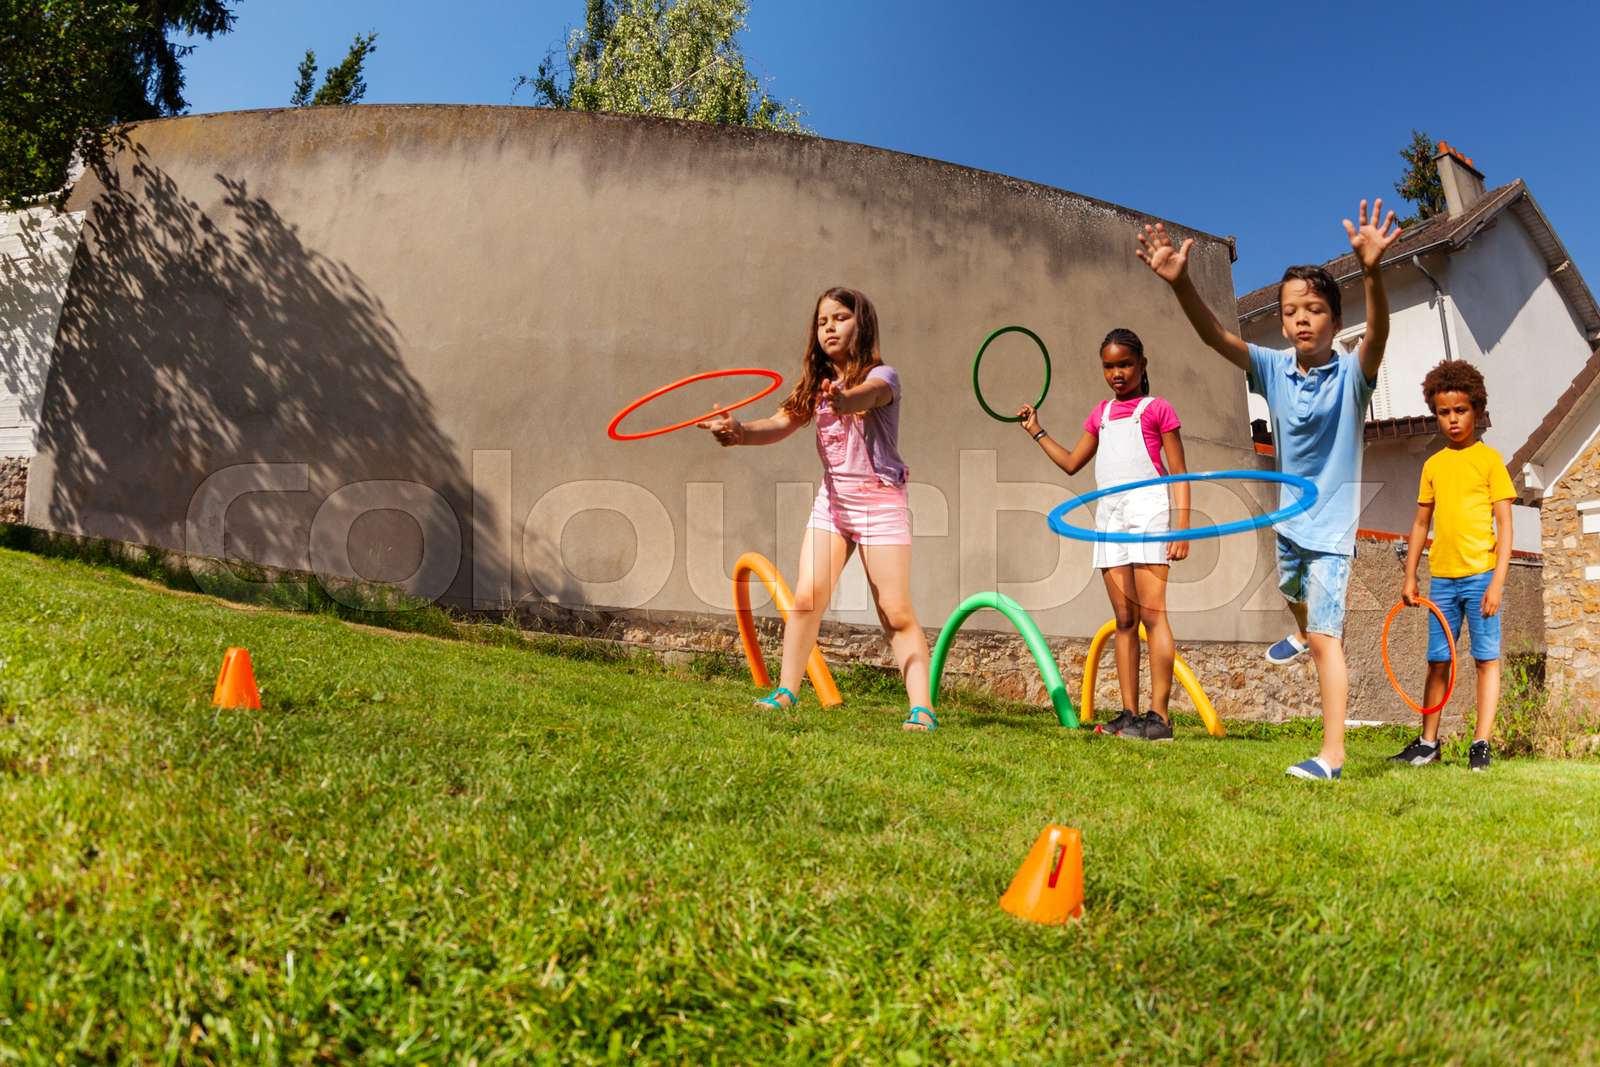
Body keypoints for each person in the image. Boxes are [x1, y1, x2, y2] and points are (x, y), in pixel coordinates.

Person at [1136, 199, 1402, 780]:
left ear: (1334, 317)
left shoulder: (1353, 376)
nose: (1300, 319)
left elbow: (1378, 337)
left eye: (1312, 309)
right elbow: (1214, 338)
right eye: (1289, 312)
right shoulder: (1272, 369)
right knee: (1292, 593)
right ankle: (1302, 631)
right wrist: (1181, 286)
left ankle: (1331, 756)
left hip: (1330, 529)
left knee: (1329, 637)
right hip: (1289, 521)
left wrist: (1375, 272)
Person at [700, 287, 935, 730]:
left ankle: (921, 709)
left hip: (879, 503)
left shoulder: (885, 377)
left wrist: (845, 401)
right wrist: (738, 432)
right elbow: (778, 423)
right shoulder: (813, 384)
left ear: (861, 325)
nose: (829, 327)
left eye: (840, 317)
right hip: (834, 503)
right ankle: (787, 692)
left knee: (895, 611)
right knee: (806, 598)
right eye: (822, 320)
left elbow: (867, 396)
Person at [1018, 328, 1189, 741]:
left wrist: (1182, 526)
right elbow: (1073, 462)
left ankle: (1159, 717)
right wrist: (1036, 431)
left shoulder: (1156, 409)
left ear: (1142, 365)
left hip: (1148, 510)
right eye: (1109, 366)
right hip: (1110, 515)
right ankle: (1129, 715)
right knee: (1125, 620)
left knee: (1152, 615)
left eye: (1125, 364)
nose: (1117, 373)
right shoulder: (1100, 414)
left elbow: (1180, 472)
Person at [1390, 360, 1514, 772]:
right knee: (1437, 660)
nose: (1453, 419)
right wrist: (1410, 576)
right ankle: (1428, 743)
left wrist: (1498, 582)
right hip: (1441, 578)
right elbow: (1421, 523)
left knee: (1485, 660)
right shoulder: (1433, 465)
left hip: (1480, 576)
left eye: (1460, 410)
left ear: (1475, 410)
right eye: (1444, 412)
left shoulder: (1490, 461)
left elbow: (1506, 526)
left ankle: (1481, 743)